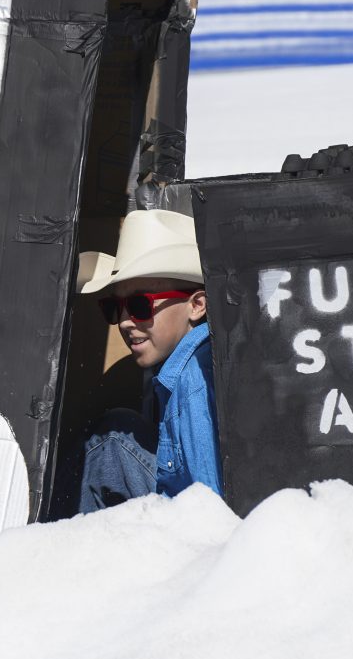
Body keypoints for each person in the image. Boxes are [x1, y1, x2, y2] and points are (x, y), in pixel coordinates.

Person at [76, 208, 222, 512]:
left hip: (194, 533)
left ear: (197, 305)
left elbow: (211, 509)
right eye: (115, 308)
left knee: (110, 440)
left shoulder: (195, 378)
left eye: (140, 305)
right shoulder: (191, 364)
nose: (125, 323)